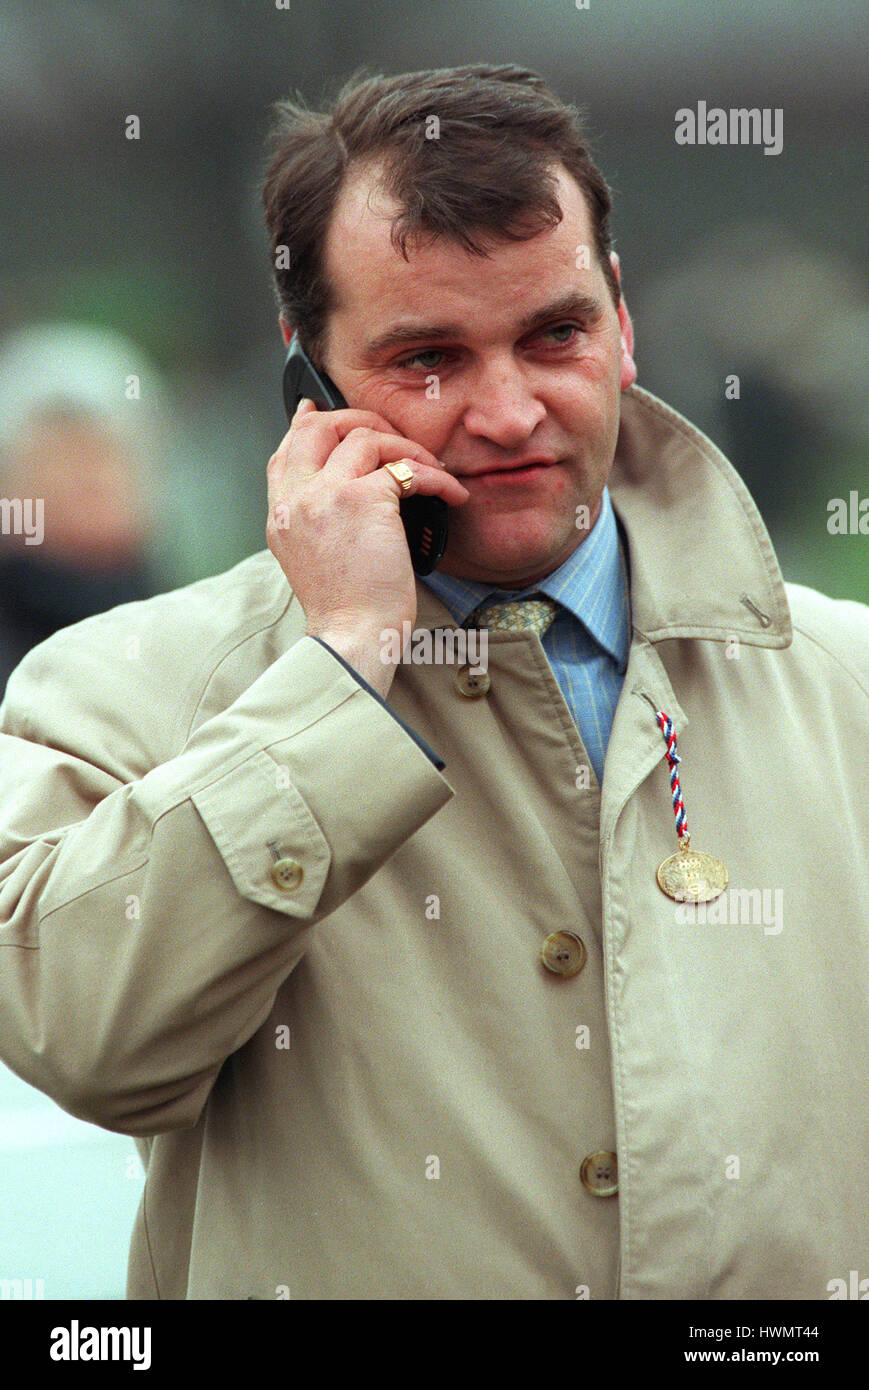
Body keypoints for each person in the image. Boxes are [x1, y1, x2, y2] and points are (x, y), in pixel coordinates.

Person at [0, 64, 867, 1302]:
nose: (508, 411)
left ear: (622, 321)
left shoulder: (846, 681)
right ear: (306, 373)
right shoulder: (116, 686)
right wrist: (339, 670)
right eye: (428, 357)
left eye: (552, 334)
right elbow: (85, 1045)